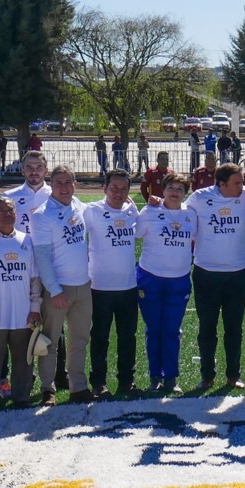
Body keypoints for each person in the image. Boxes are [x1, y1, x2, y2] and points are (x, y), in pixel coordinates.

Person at [187, 161, 245, 390]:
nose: (241, 187)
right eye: (237, 183)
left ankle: (233, 375)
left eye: (242, 182)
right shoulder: (199, 198)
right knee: (207, 327)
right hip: (206, 274)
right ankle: (207, 376)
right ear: (221, 184)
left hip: (237, 274)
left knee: (234, 328)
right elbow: (178, 214)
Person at [33, 167, 92, 403]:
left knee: (79, 340)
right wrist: (55, 289)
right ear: (51, 184)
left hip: (83, 285)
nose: (64, 187)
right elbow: (42, 257)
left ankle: (78, 386)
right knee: (50, 341)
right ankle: (47, 388)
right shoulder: (42, 214)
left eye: (69, 182)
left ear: (75, 184)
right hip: (58, 288)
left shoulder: (78, 205)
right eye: (59, 183)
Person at [0, 197, 42, 408]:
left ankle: (21, 396)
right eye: (1, 211)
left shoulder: (27, 241)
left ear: (16, 214)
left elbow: (35, 278)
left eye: (10, 210)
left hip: (23, 313)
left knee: (23, 359)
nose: (6, 214)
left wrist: (35, 308)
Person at [137, 171, 197, 392]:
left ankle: (171, 377)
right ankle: (155, 376)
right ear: (163, 190)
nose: (174, 192)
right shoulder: (149, 211)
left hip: (179, 280)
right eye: (170, 188)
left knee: (172, 330)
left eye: (180, 189)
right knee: (154, 329)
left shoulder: (191, 214)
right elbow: (134, 234)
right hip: (150, 278)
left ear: (185, 193)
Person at [83, 170, 141, 397]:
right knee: (100, 338)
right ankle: (99, 383)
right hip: (100, 287)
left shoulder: (132, 210)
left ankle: (127, 381)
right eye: (114, 188)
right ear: (105, 188)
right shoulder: (92, 211)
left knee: (128, 338)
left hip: (128, 286)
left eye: (123, 189)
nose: (118, 193)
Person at [5, 150, 52, 240]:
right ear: (22, 170)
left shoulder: (56, 196)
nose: (34, 172)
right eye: (29, 167)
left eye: (39, 167)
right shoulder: (8, 197)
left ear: (46, 171)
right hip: (19, 247)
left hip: (49, 247)